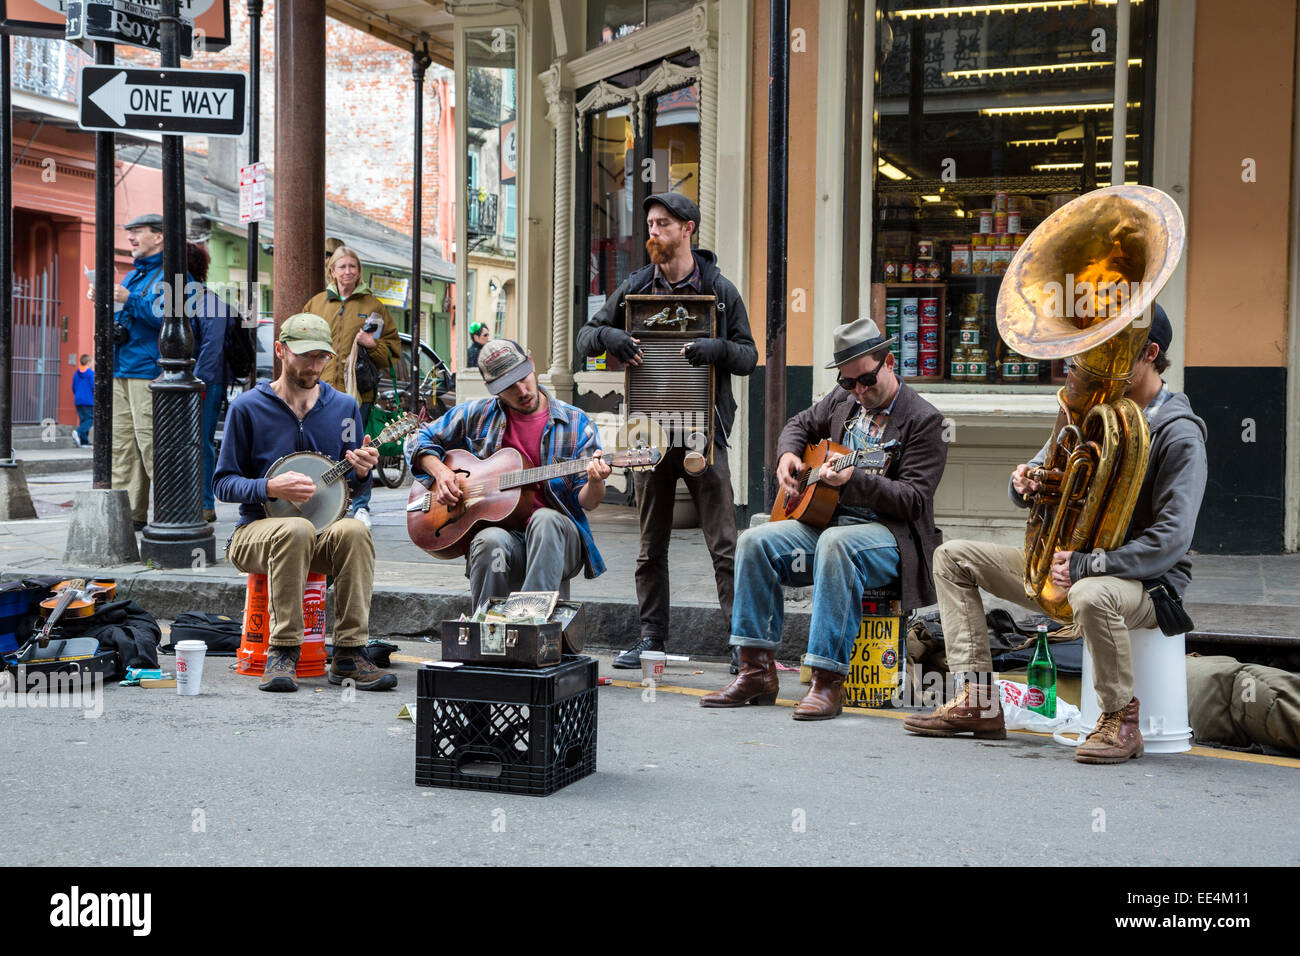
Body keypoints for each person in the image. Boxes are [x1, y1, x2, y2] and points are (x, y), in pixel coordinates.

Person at [904, 305, 1207, 764]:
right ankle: (979, 701)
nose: (1099, 362)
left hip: (1146, 587)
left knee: (1091, 594)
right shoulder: (1089, 413)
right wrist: (1027, 482)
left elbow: (1171, 540)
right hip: (1070, 569)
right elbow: (1036, 477)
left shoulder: (1180, 434)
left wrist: (1091, 565)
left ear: (1150, 353)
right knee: (952, 557)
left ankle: (1120, 721)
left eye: (1113, 350)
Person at [701, 318, 947, 719]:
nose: (860, 391)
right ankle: (756, 670)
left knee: (838, 545)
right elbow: (799, 424)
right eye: (850, 383)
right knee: (753, 540)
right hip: (827, 524)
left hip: (889, 539)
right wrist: (788, 455)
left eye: (866, 380)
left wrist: (857, 481)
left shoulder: (924, 421)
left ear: (888, 362)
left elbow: (914, 501)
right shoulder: (842, 399)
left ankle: (826, 680)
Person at [575, 192, 757, 670]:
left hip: (702, 430)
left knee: (723, 542)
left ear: (687, 230)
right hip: (646, 435)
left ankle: (740, 643)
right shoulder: (636, 288)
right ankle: (650, 637)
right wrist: (609, 336)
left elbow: (749, 357)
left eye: (662, 224)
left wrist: (715, 348)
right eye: (650, 224)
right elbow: (584, 339)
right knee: (649, 544)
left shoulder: (719, 289)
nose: (652, 232)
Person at [214, 313, 395, 693]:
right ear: (281, 351)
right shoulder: (247, 408)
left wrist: (362, 472)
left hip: (320, 534)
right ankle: (283, 651)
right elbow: (223, 484)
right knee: (295, 529)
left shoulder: (344, 408)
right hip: (254, 534)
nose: (314, 366)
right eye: (305, 356)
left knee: (356, 531)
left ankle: (349, 652)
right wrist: (269, 487)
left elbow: (354, 492)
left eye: (322, 357)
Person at [407, 338, 611, 613]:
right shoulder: (477, 415)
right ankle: (488, 631)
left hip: (559, 540)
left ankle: (528, 621)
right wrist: (441, 472)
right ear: (492, 390)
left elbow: (588, 501)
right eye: (507, 386)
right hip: (505, 535)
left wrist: (595, 480)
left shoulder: (575, 423)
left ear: (532, 364)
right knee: (489, 539)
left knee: (545, 519)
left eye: (522, 378)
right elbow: (418, 438)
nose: (521, 390)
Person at [302, 244, 401, 530]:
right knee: (321, 448)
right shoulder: (317, 304)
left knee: (359, 449)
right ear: (332, 271)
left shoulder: (373, 306)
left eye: (352, 267)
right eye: (342, 266)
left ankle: (361, 506)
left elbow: (391, 353)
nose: (348, 271)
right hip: (320, 390)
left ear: (359, 272)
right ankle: (325, 504)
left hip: (358, 394)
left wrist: (372, 344)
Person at [109, 213, 167, 532]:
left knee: (150, 443)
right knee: (123, 445)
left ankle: (172, 513)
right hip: (122, 366)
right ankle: (130, 515)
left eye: (138, 232)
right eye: (129, 232)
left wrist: (129, 300)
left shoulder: (171, 274)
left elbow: (167, 317)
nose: (131, 237)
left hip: (146, 369)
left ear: (158, 236)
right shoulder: (133, 275)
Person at [186, 242, 240, 524]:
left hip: (206, 382)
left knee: (201, 441)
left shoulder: (207, 300)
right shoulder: (184, 298)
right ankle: (196, 500)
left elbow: (213, 345)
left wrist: (200, 383)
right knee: (192, 442)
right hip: (198, 380)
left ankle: (205, 503)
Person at [72, 354, 94, 448]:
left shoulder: (76, 373)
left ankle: (84, 441)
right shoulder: (91, 373)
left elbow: (73, 387)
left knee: (83, 420)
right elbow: (94, 386)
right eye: (92, 362)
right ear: (88, 362)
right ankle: (78, 432)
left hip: (78, 400)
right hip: (88, 400)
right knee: (90, 420)